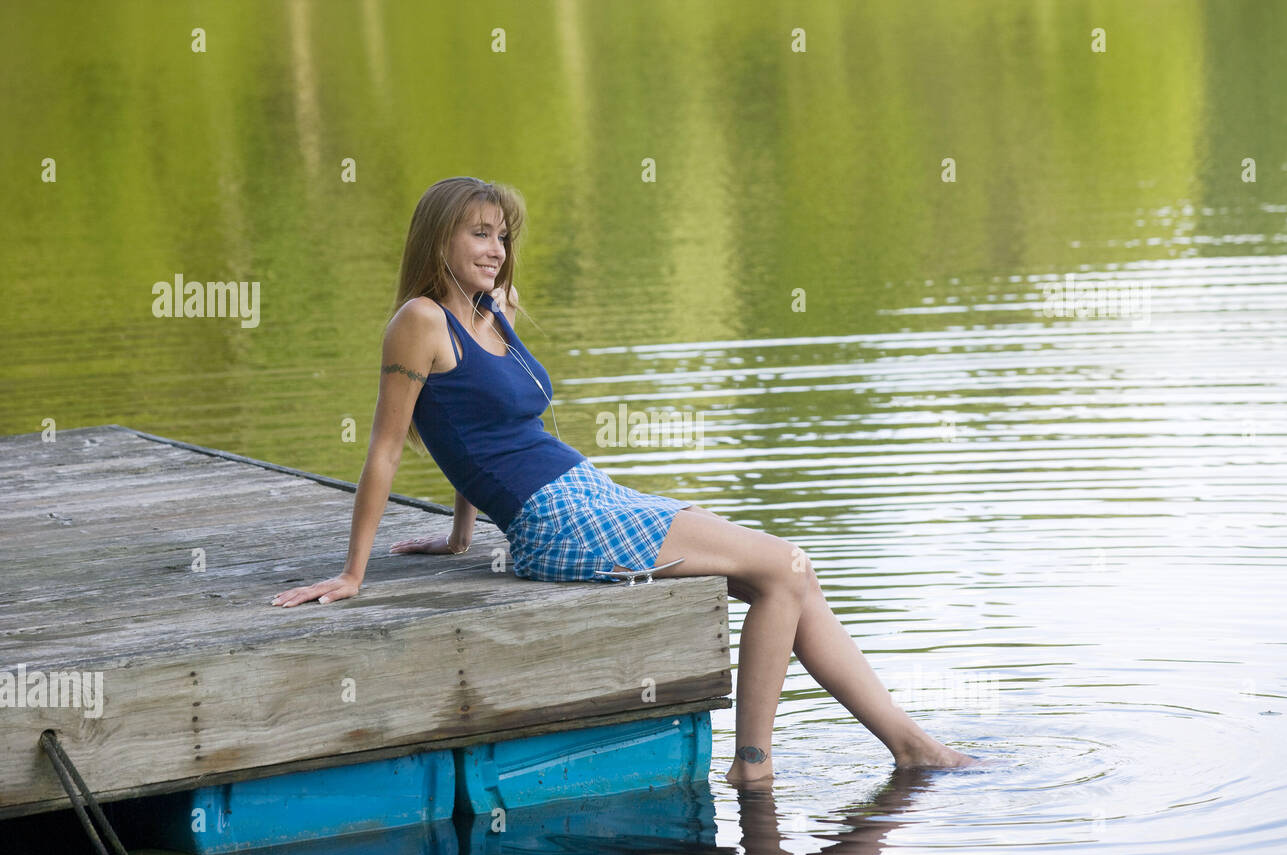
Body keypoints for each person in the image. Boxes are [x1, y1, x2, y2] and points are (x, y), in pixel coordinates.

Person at [272, 176, 978, 784]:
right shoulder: (419, 322)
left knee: (792, 575)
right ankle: (757, 766)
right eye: (480, 234)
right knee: (784, 565)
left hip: (589, 489)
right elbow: (388, 449)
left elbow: (472, 428)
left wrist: (461, 536)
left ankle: (904, 746)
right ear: (438, 241)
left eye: (503, 236)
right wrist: (353, 575)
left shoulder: (494, 311)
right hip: (555, 520)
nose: (497, 250)